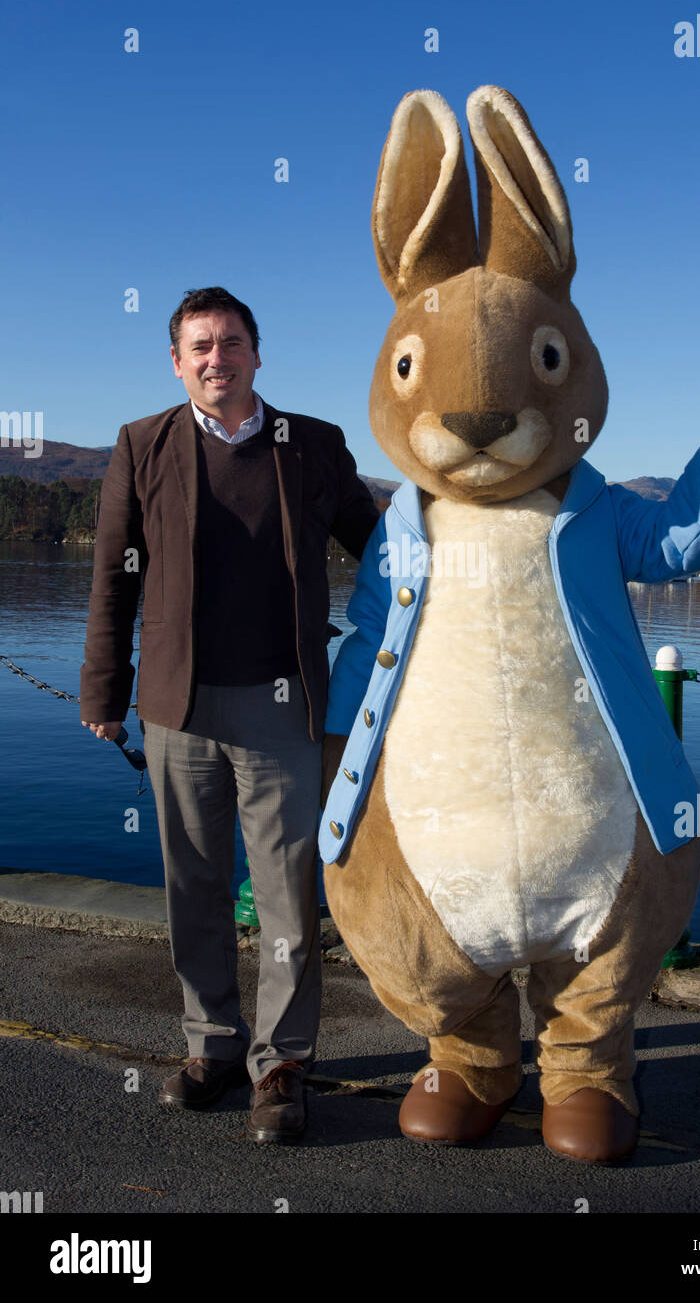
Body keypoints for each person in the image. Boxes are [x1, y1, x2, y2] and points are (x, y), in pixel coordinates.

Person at [80, 286, 379, 1143]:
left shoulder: (312, 446)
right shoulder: (142, 445)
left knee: (288, 897)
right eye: (200, 346)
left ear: (257, 352)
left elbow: (383, 551)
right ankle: (212, 1045)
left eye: (232, 342)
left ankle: (280, 1066)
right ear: (178, 362)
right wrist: (105, 691)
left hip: (284, 704)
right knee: (194, 889)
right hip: (178, 706)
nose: (218, 358)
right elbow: (113, 579)